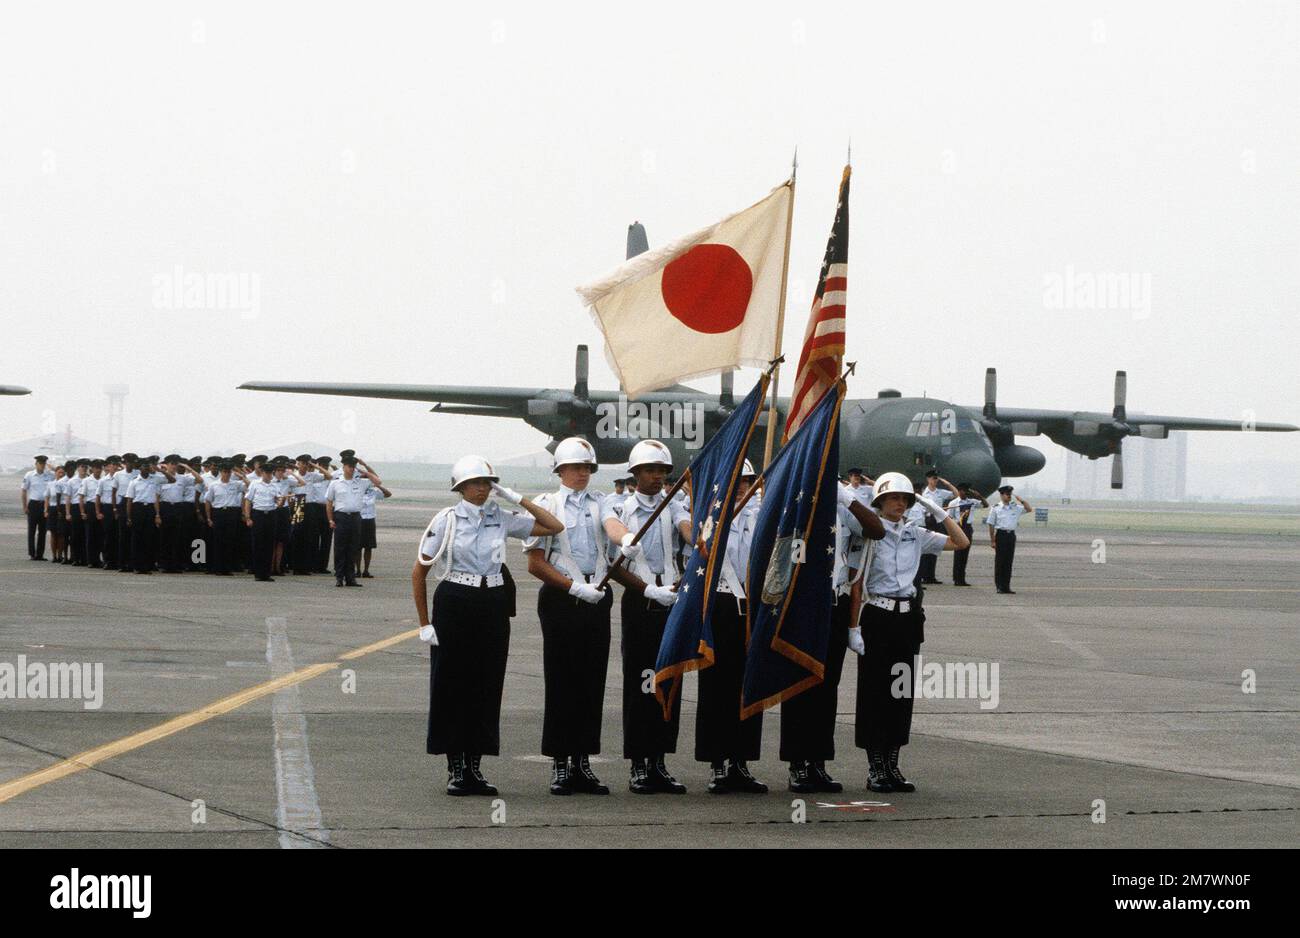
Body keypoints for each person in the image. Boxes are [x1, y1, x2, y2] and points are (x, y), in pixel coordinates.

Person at [413, 455, 563, 796]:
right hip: (455, 600)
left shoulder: (501, 517)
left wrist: (517, 498)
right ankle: (455, 768)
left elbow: (553, 527)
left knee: (486, 683)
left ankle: (475, 768)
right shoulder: (446, 519)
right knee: (452, 686)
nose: (482, 489)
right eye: (475, 483)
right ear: (461, 488)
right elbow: (419, 571)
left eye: (487, 483)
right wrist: (424, 623)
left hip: (492, 602)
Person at [852, 471, 969, 793]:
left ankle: (892, 764)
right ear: (880, 501)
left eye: (905, 499)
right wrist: (853, 627)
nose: (900, 504)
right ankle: (875, 767)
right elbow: (857, 581)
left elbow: (961, 542)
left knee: (899, 695)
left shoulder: (915, 534)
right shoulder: (869, 533)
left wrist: (941, 512)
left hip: (907, 620)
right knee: (875, 694)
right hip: (878, 617)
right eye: (894, 498)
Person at [523, 437, 614, 796]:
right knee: (562, 681)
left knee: (592, 682)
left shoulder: (604, 503)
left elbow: (614, 538)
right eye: (575, 467)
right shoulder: (547, 506)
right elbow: (535, 563)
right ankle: (560, 763)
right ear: (559, 470)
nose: (582, 473)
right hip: (562, 600)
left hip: (597, 598)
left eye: (587, 467)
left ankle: (583, 762)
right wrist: (572, 588)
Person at [602, 439, 694, 795]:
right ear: (635, 474)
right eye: (650, 470)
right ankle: (639, 763)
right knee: (642, 681)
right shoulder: (621, 508)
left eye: (662, 471)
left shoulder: (675, 506)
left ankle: (660, 761)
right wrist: (646, 589)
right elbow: (615, 564)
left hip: (671, 600)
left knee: (668, 681)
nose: (657, 477)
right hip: (642, 603)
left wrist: (699, 536)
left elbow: (688, 537)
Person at [785, 475, 887, 794]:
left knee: (827, 687)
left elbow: (877, 530)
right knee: (800, 686)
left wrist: (849, 499)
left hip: (837, 605)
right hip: (804, 606)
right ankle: (798, 764)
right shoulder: (798, 509)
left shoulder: (844, 509)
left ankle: (818, 762)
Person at [695, 459, 770, 794]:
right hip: (723, 606)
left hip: (753, 607)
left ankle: (741, 762)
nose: (742, 486)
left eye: (748, 481)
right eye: (737, 480)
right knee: (717, 687)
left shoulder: (762, 517)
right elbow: (703, 548)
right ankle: (718, 763)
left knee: (748, 685)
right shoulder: (711, 517)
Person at [325, 454, 373, 587]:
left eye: (354, 467)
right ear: (344, 467)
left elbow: (377, 481)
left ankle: (350, 578)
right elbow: (329, 502)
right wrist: (330, 519)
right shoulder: (335, 483)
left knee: (353, 548)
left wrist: (364, 468)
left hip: (355, 517)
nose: (352, 469)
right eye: (350, 466)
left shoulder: (360, 482)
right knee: (340, 548)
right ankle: (339, 577)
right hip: (341, 517)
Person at [987, 484, 1032, 594]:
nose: (1009, 496)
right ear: (1001, 495)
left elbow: (1029, 509)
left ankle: (1006, 586)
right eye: (1007, 494)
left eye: (1010, 494)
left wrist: (1021, 500)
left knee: (1008, 562)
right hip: (1001, 535)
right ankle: (999, 586)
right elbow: (991, 525)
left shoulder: (1015, 507)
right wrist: (993, 540)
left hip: (1011, 536)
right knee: (1000, 562)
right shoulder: (996, 508)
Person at [124, 458, 164, 574]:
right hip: (138, 509)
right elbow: (129, 501)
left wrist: (160, 470)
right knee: (137, 539)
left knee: (148, 539)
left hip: (150, 509)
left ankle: (146, 566)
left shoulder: (155, 480)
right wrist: (129, 517)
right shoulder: (134, 482)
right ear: (139, 469)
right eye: (143, 467)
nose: (146, 468)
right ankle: (137, 566)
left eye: (148, 467)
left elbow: (171, 479)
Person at [243, 462, 280, 582]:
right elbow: (248, 500)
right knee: (258, 544)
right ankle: (258, 573)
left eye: (270, 473)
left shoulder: (274, 486)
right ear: (262, 473)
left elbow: (278, 502)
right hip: (258, 514)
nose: (269, 475)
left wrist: (281, 502)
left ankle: (266, 573)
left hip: (271, 515)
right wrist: (248, 517)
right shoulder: (255, 484)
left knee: (269, 545)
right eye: (267, 473)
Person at [917, 470, 956, 585]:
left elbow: (956, 494)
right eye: (933, 478)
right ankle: (922, 576)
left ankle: (931, 576)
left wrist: (947, 483)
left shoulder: (941, 492)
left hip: (937, 523)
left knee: (935, 549)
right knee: (924, 550)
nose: (935, 481)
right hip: (927, 521)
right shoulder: (923, 493)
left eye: (936, 478)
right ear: (928, 479)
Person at [355, 459, 391, 579]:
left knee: (368, 546)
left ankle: (366, 570)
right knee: (358, 546)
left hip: (369, 519)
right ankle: (357, 570)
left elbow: (388, 494)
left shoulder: (373, 491)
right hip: (358, 519)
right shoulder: (356, 488)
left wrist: (377, 484)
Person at [947, 483, 988, 586]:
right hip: (958, 528)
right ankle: (956, 578)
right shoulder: (953, 503)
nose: (966, 492)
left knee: (965, 554)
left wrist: (979, 496)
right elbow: (949, 518)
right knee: (958, 555)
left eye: (967, 490)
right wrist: (952, 532)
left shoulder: (972, 502)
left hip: (968, 528)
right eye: (964, 490)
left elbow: (986, 505)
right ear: (959, 491)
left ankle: (962, 578)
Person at [21, 455, 55, 561]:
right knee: (31, 530)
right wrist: (25, 506)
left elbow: (60, 475)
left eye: (44, 464)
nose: (42, 466)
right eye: (40, 464)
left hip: (44, 505)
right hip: (33, 504)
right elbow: (23, 491)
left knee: (43, 530)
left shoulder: (50, 475)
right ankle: (32, 553)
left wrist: (53, 468)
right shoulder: (29, 475)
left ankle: (40, 554)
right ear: (36, 464)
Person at [113, 454, 139, 574]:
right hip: (123, 503)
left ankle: (133, 563)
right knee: (123, 536)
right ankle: (122, 563)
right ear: (125, 463)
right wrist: (115, 508)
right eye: (128, 462)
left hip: (135, 503)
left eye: (132, 462)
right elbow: (114, 492)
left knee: (134, 536)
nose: (130, 464)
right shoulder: (118, 474)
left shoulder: (137, 473)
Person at [43, 464, 68, 563]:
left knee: (62, 534)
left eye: (63, 473)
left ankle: (60, 554)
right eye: (59, 472)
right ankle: (54, 556)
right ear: (55, 473)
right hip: (53, 509)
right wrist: (45, 510)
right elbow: (47, 498)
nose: (61, 474)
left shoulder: (66, 483)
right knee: (53, 533)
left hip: (62, 508)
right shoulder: (50, 484)